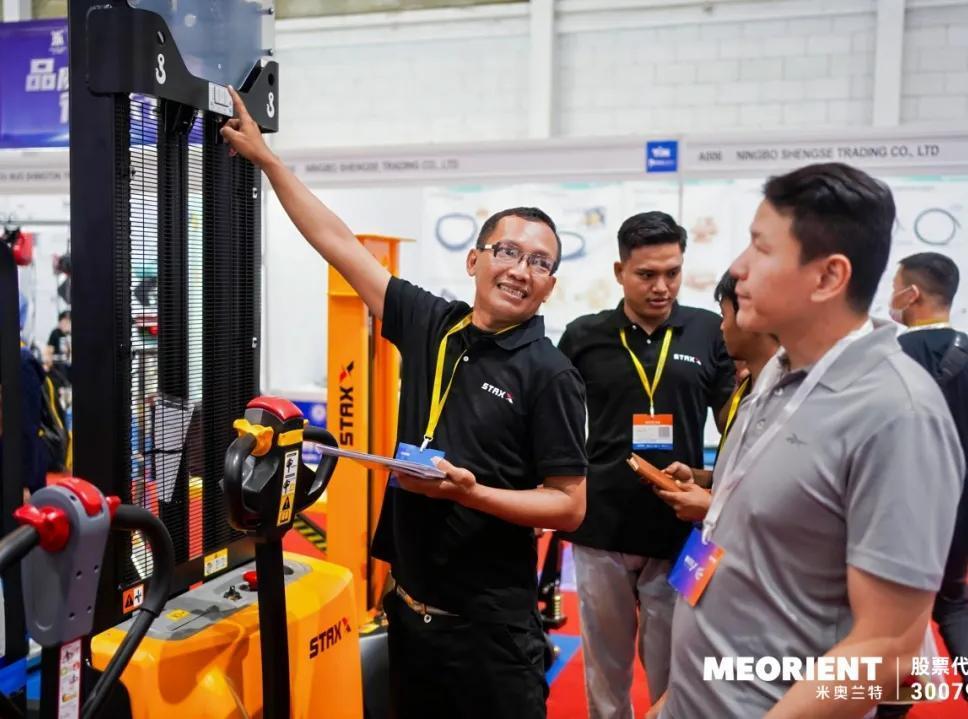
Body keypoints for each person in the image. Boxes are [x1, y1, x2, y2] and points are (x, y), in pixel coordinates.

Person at [220, 87, 588, 719]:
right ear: (475, 260)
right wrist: (269, 161)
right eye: (507, 252)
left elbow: (569, 505)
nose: (520, 269)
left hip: (489, 635)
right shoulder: (432, 324)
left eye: (539, 262)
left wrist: (470, 494)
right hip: (409, 612)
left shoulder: (550, 373)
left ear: (549, 285)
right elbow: (338, 242)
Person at [652, 163, 964, 719]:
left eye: (760, 248)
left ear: (827, 278)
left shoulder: (896, 413)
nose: (738, 268)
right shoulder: (776, 377)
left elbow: (889, 651)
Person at [557, 211, 735, 719]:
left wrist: (714, 486)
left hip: (681, 530)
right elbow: (555, 423)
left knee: (674, 670)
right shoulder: (584, 335)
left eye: (672, 273)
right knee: (604, 670)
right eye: (646, 274)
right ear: (620, 272)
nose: (662, 287)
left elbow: (736, 424)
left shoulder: (709, 331)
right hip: (601, 527)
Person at [876, 252, 968, 717]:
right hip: (958, 515)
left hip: (895, 514)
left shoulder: (885, 359)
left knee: (888, 620)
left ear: (910, 294)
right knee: (954, 607)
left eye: (895, 285)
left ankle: (891, 709)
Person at [657, 270, 780, 523]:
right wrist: (699, 478)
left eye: (724, 316)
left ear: (750, 315)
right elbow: (743, 474)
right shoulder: (747, 387)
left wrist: (713, 507)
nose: (721, 326)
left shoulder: (788, 396)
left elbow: (787, 502)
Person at [44, 310, 71, 383]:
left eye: (68, 322)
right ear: (59, 322)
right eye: (65, 322)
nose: (67, 325)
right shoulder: (55, 333)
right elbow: (48, 352)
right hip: (57, 365)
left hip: (67, 365)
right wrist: (47, 365)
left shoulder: (69, 335)